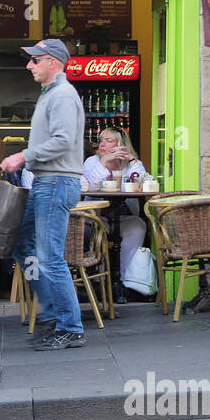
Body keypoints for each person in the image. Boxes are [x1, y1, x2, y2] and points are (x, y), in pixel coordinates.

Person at [0, 38, 86, 351]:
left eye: (35, 60)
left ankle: (70, 327)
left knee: (50, 258)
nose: (29, 65)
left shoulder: (62, 94)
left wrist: (24, 156)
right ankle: (52, 313)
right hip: (47, 182)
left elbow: (63, 140)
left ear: (53, 61)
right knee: (22, 245)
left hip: (55, 183)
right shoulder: (53, 94)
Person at [84, 127, 150, 300]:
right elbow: (89, 187)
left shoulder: (129, 164)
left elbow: (144, 182)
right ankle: (102, 281)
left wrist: (132, 159)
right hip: (98, 216)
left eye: (109, 140)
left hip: (124, 216)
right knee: (97, 232)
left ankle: (126, 281)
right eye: (101, 140)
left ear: (121, 144)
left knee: (138, 227)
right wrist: (104, 163)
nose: (102, 144)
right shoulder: (92, 162)